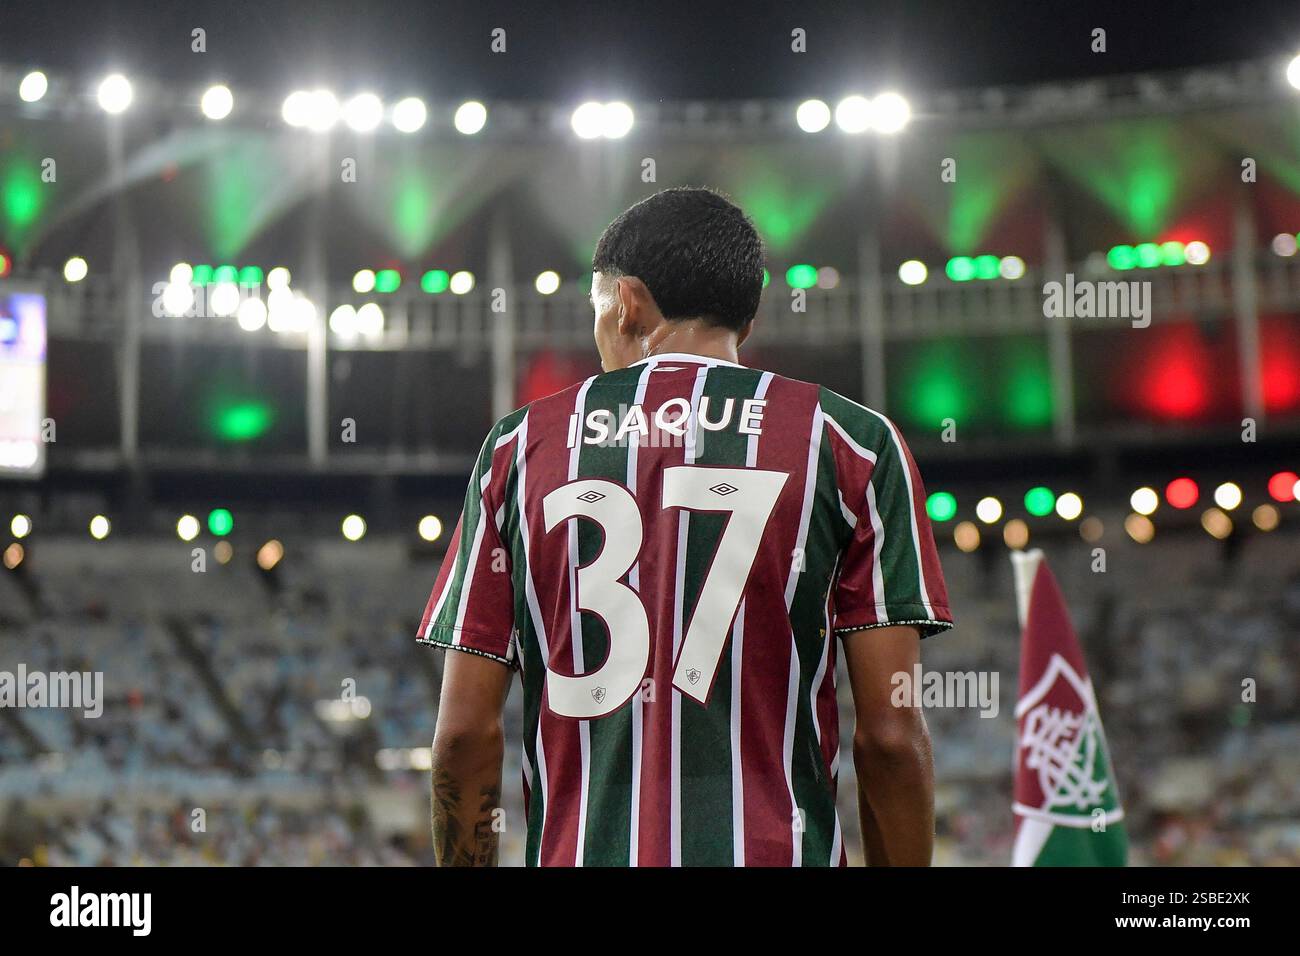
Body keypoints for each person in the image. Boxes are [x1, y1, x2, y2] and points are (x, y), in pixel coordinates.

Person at [419, 186, 952, 867]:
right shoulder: (850, 444)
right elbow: (891, 737)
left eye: (596, 308)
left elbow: (464, 737)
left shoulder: (517, 449)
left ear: (628, 302)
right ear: (746, 323)